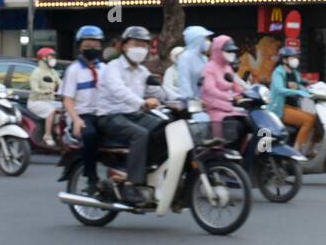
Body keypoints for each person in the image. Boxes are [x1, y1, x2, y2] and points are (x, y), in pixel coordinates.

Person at [97, 26, 170, 205]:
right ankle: (131, 183)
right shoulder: (112, 68)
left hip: (133, 115)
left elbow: (160, 92)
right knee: (140, 134)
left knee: (166, 128)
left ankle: (148, 171)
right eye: (136, 44)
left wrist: (186, 99)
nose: (141, 49)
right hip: (111, 116)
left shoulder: (143, 71)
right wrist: (142, 102)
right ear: (123, 46)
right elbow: (118, 90)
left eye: (145, 45)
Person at [61, 25, 105, 195]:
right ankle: (91, 178)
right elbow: (67, 99)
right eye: (88, 45)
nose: (92, 49)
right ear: (80, 46)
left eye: (96, 45)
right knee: (90, 134)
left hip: (102, 114)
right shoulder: (73, 70)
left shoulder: (105, 69)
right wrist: (76, 120)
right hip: (82, 115)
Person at [269, 46, 315, 153]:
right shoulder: (278, 73)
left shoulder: (294, 73)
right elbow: (280, 89)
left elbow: (300, 86)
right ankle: (296, 150)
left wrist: (312, 90)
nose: (296, 60)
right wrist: (298, 92)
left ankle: (311, 149)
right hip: (280, 108)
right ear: (284, 60)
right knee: (308, 120)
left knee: (315, 118)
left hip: (293, 107)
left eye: (296, 57)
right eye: (292, 57)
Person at [200, 35, 243, 125]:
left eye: (233, 51)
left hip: (229, 107)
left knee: (246, 123)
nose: (231, 54)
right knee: (234, 126)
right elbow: (210, 89)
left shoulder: (228, 67)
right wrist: (229, 96)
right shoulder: (209, 68)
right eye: (228, 51)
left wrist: (246, 93)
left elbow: (235, 85)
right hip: (215, 108)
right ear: (218, 51)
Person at [28, 47, 63, 146]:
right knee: (51, 110)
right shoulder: (36, 72)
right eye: (51, 57)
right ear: (43, 58)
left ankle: (58, 131)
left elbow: (61, 83)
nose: (53, 59)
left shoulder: (53, 72)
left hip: (50, 101)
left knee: (64, 110)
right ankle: (47, 135)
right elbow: (34, 88)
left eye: (53, 57)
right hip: (36, 101)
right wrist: (44, 92)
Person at [175, 25, 213, 113]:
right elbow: (184, 82)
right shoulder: (185, 58)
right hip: (193, 106)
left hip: (207, 104)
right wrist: (192, 100)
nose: (208, 42)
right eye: (206, 39)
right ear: (197, 40)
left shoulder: (204, 59)